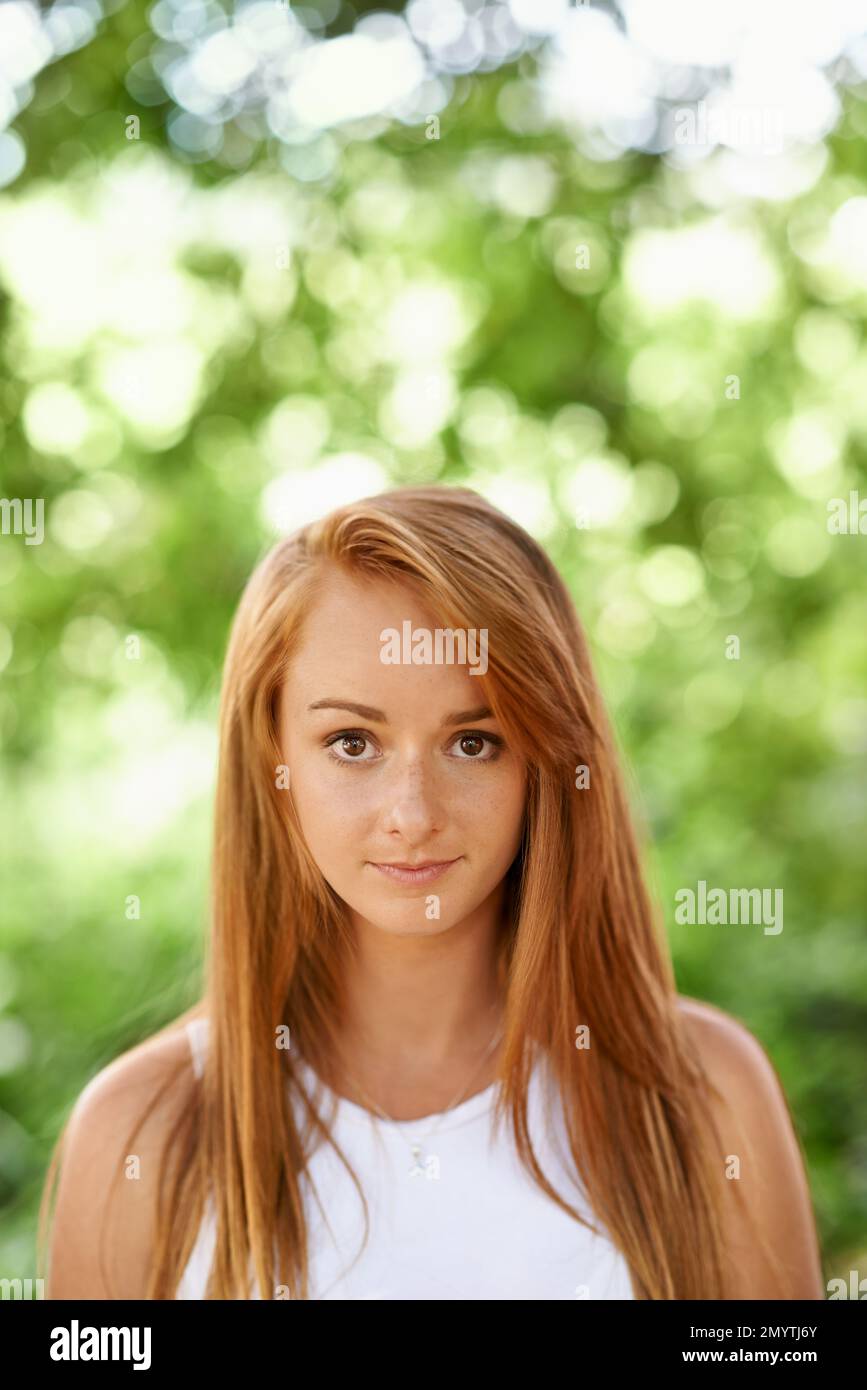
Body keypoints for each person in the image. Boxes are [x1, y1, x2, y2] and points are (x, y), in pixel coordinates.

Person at [41, 485, 824, 1299]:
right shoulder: (142, 1133)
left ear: (545, 761)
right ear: (272, 764)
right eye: (351, 742)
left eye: (474, 742)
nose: (412, 814)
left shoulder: (700, 1097)